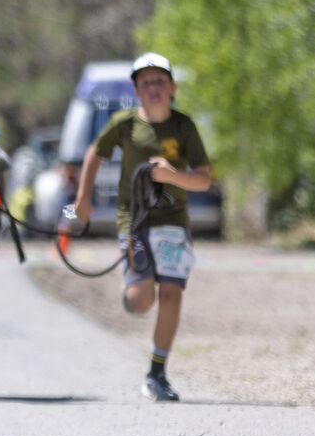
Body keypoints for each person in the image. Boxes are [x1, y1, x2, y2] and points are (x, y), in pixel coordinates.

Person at [70, 52, 212, 402]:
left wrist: (171, 175)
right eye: (146, 82)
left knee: (172, 293)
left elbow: (204, 181)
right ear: (136, 89)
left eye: (160, 81)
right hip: (133, 221)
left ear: (173, 87)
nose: (154, 88)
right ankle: (132, 290)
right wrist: (83, 199)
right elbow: (94, 153)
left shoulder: (184, 127)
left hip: (174, 224)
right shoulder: (125, 123)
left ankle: (157, 373)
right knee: (141, 299)